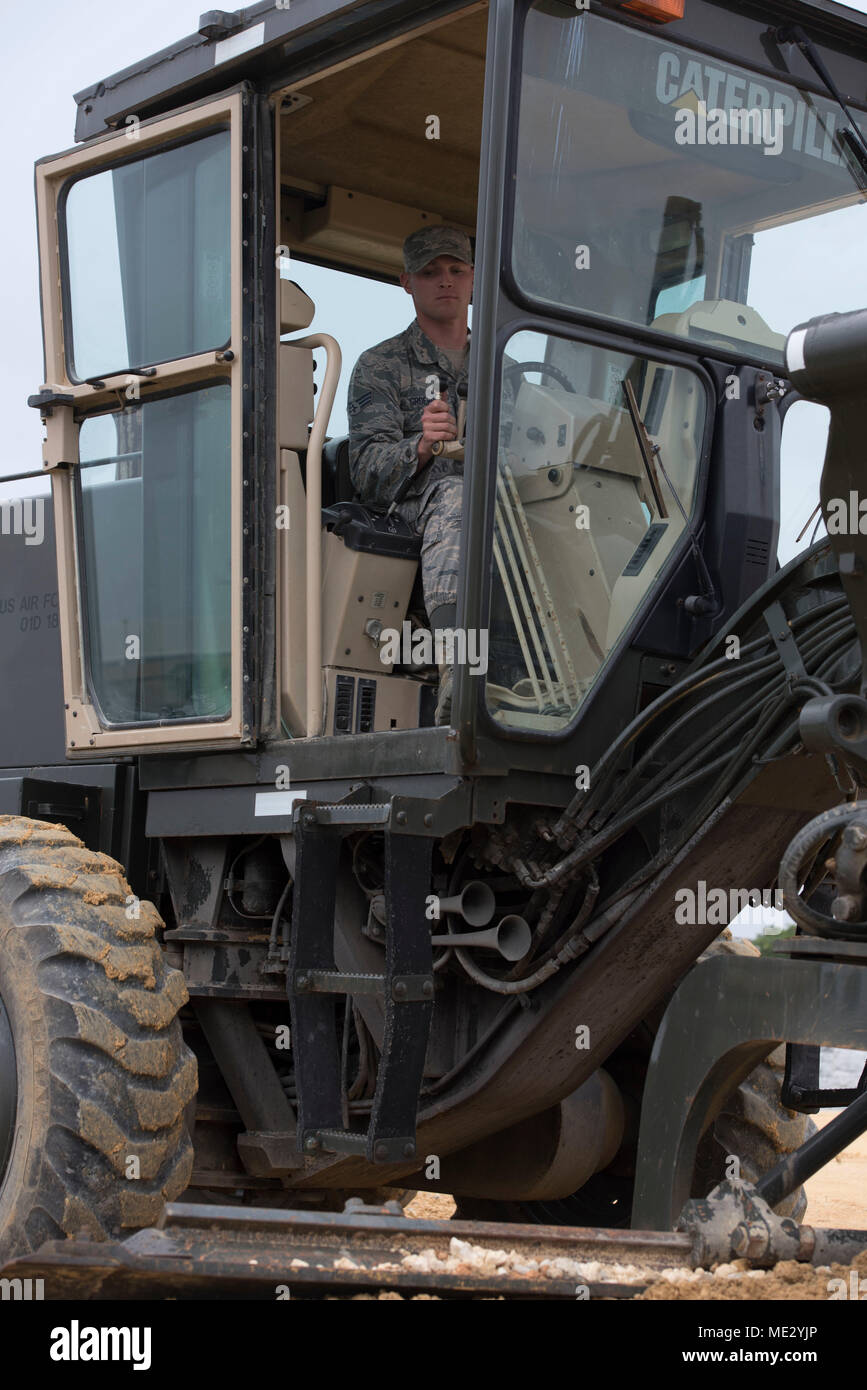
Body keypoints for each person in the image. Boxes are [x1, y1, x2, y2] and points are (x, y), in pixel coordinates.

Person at [347, 225, 474, 724]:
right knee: (457, 494)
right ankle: (461, 668)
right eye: (430, 272)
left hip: (498, 506)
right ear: (407, 282)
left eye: (456, 270)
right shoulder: (381, 365)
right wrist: (421, 445)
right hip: (412, 510)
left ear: (473, 278)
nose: (446, 281)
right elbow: (365, 471)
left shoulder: (505, 364)